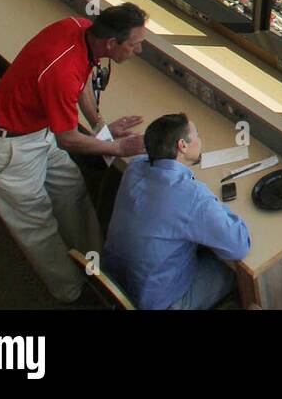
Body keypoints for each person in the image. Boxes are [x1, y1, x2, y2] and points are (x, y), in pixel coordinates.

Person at [0, 3, 149, 303]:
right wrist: (117, 147)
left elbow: (81, 81)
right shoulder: (61, 72)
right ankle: (71, 292)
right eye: (135, 44)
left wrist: (100, 125)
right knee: (38, 228)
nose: (139, 50)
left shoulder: (79, 29)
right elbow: (67, 139)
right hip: (7, 150)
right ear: (111, 43)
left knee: (72, 191)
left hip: (36, 133)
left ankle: (97, 268)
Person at [104, 114, 251, 309]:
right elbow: (239, 246)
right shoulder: (193, 197)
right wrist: (214, 205)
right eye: (197, 135)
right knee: (234, 271)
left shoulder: (136, 166)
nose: (200, 140)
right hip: (160, 302)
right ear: (182, 146)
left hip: (118, 285)